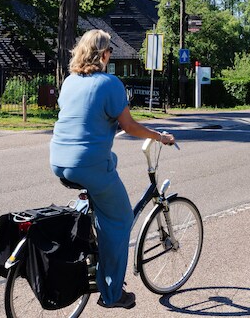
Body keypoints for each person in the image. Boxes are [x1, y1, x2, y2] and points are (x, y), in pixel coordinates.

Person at [50, 29, 176, 310]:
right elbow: (129, 127)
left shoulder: (69, 81)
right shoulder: (110, 83)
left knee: (109, 172)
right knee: (120, 221)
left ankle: (94, 250)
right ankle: (112, 293)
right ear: (104, 54)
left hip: (59, 160)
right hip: (89, 164)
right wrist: (160, 136)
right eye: (109, 52)